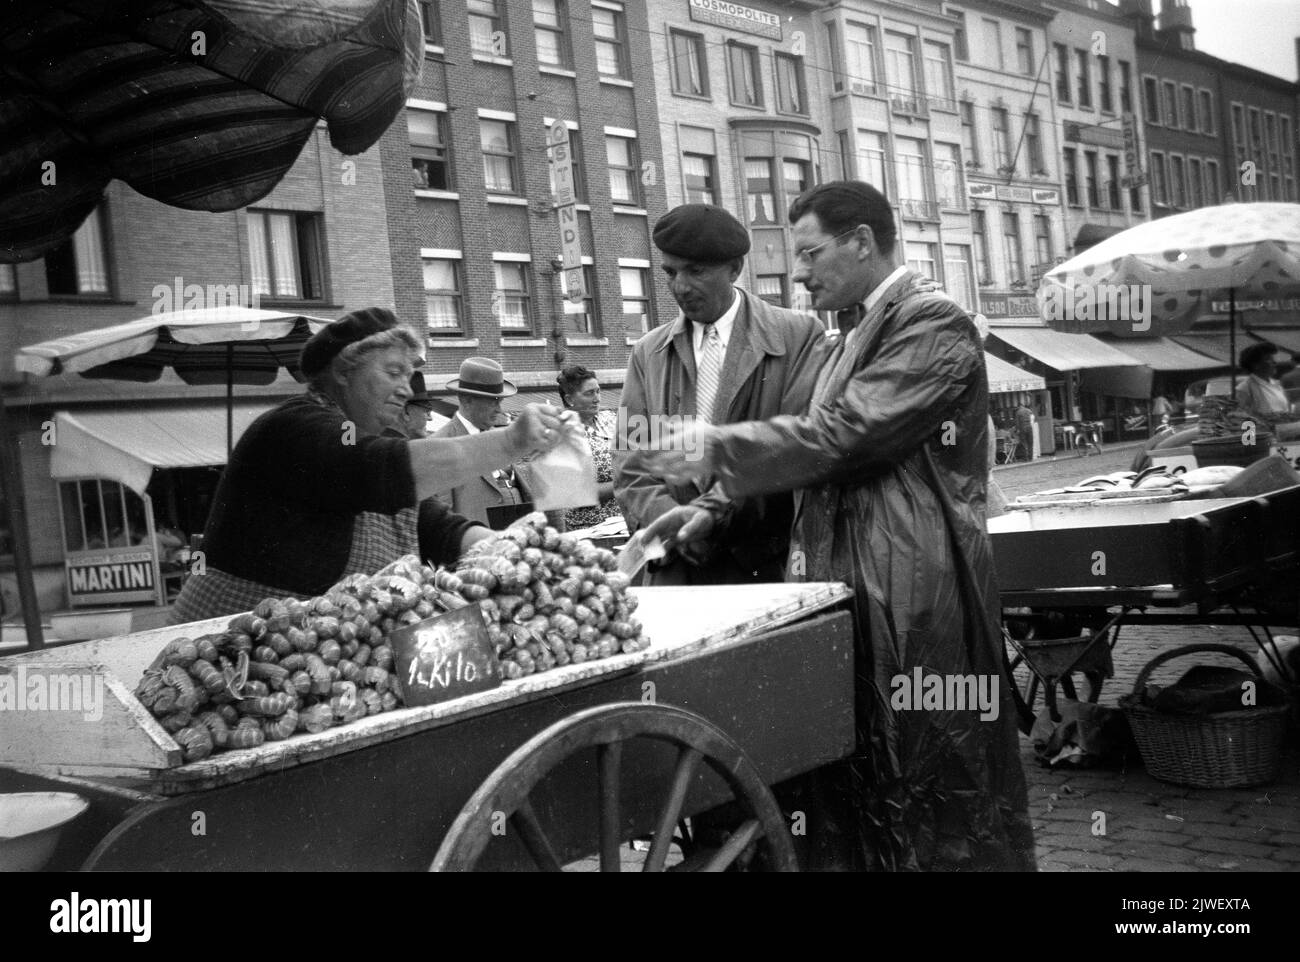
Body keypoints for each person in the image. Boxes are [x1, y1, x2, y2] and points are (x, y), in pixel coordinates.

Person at [633, 181, 1035, 872]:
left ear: (862, 242)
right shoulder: (853, 332)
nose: (798, 272)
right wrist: (706, 507)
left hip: (913, 594)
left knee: (932, 770)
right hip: (855, 586)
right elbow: (812, 455)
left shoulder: (931, 323)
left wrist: (713, 447)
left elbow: (846, 435)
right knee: (865, 777)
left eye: (811, 252)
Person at [171, 309, 564, 623]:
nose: (407, 389)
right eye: (393, 372)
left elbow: (434, 527)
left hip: (314, 644)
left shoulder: (379, 441)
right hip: (221, 638)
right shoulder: (292, 429)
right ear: (343, 371)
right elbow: (374, 470)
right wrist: (512, 441)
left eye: (410, 376)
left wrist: (517, 550)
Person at [614, 203, 827, 585]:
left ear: (734, 269)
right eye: (670, 272)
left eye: (696, 271)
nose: (680, 286)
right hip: (676, 571)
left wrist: (712, 518)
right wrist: (674, 525)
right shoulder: (649, 352)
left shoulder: (797, 336)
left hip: (762, 569)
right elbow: (632, 467)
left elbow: (793, 450)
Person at [432, 357, 535, 527]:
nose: (499, 410)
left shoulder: (502, 439)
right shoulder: (439, 447)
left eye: (500, 401)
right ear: (466, 399)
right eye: (492, 401)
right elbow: (442, 522)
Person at [556, 365, 620, 530]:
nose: (597, 398)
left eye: (598, 391)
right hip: (589, 530)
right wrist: (624, 482)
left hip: (625, 520)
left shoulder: (610, 419)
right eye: (589, 393)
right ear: (569, 399)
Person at [1235, 342, 1300, 440]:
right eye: (1268, 359)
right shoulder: (1245, 389)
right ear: (1256, 365)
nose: (1274, 362)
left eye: (1273, 358)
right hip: (1266, 440)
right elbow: (1242, 421)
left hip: (1285, 438)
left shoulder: (1277, 385)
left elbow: (1286, 412)